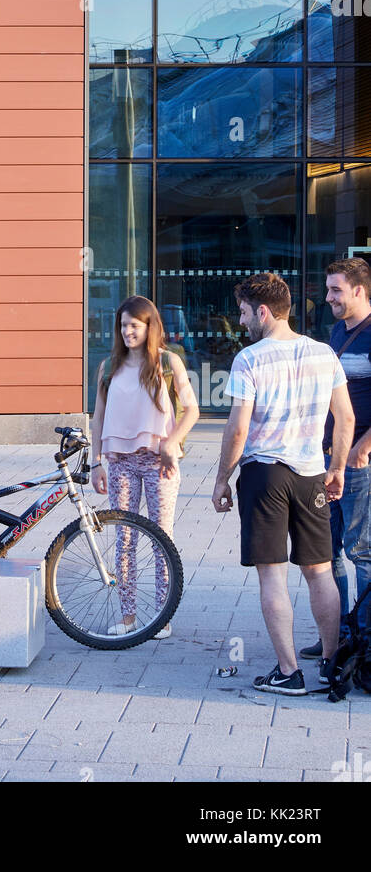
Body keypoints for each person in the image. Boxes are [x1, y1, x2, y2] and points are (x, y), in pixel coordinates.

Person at [212, 272, 354, 696]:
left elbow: (238, 430)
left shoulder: (250, 359)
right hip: (312, 472)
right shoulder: (324, 353)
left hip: (265, 474)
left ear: (263, 311)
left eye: (242, 313)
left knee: (272, 575)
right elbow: (345, 418)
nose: (240, 323)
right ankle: (331, 665)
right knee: (320, 571)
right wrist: (339, 468)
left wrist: (222, 478)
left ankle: (289, 673)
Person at [90, 295, 200, 637]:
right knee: (124, 539)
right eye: (123, 326)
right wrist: (95, 463)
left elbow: (193, 410)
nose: (127, 332)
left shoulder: (169, 363)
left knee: (161, 538)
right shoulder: (108, 367)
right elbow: (98, 417)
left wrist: (171, 442)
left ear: (150, 326)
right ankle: (127, 617)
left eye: (134, 326)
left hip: (159, 463)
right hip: (120, 462)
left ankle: (162, 618)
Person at [299, 257, 371, 659]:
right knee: (326, 549)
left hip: (360, 463)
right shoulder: (336, 332)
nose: (328, 298)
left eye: (336, 290)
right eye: (328, 290)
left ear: (359, 290)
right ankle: (339, 633)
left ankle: (365, 639)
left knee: (361, 549)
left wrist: (363, 447)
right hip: (326, 459)